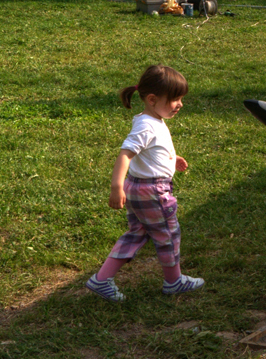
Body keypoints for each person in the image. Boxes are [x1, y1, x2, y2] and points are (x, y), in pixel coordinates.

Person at [85, 65, 204, 301]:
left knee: (137, 233)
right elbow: (125, 154)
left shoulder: (152, 119)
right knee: (168, 235)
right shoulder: (146, 125)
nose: (180, 104)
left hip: (140, 187)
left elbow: (150, 150)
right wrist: (115, 187)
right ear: (152, 99)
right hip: (153, 191)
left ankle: (101, 279)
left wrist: (172, 157)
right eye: (175, 99)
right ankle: (174, 282)